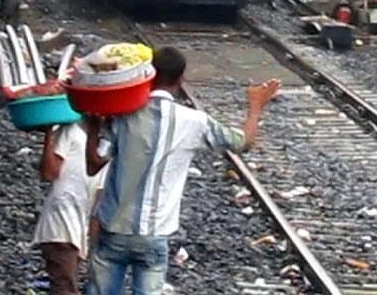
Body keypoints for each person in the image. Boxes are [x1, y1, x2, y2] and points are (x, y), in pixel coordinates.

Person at [84, 46, 282, 295]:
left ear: (149, 75)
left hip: (114, 229)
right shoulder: (195, 122)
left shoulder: (123, 117)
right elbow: (244, 142)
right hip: (155, 235)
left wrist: (93, 126)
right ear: (181, 79)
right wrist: (255, 106)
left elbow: (94, 163)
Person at [33, 120, 103, 295]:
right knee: (65, 287)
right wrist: (49, 134)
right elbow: (49, 172)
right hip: (60, 226)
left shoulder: (101, 150)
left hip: (74, 231)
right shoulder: (71, 131)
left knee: (65, 285)